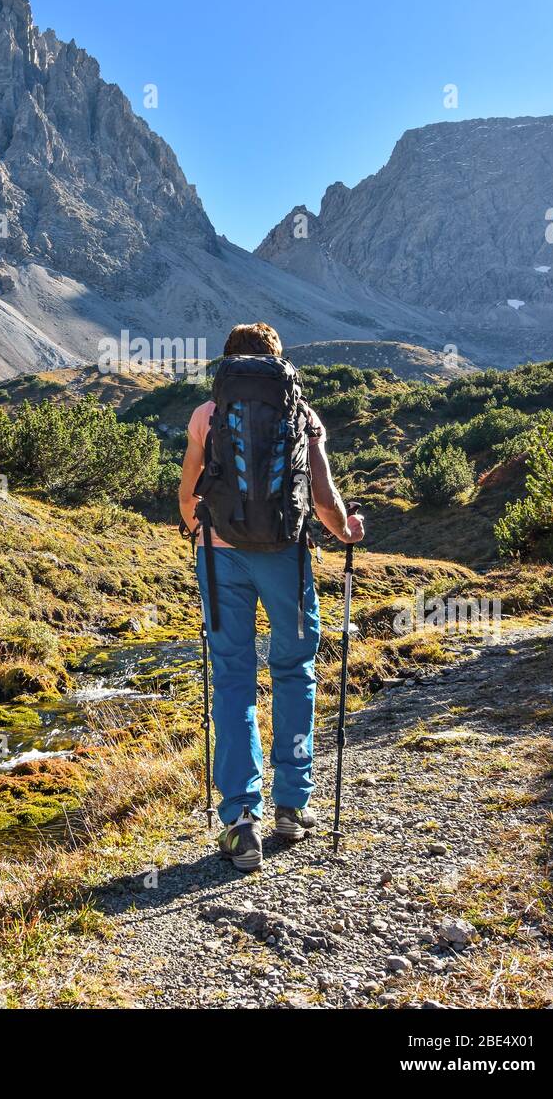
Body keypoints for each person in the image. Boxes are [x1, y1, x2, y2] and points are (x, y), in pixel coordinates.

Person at [179, 322, 364, 871]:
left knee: (233, 678)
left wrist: (197, 529)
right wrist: (346, 531)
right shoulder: (303, 415)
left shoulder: (205, 416)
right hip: (286, 555)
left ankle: (240, 819)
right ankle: (293, 804)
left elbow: (189, 495)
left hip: (219, 555)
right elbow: (324, 499)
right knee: (294, 668)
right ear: (278, 362)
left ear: (229, 364)